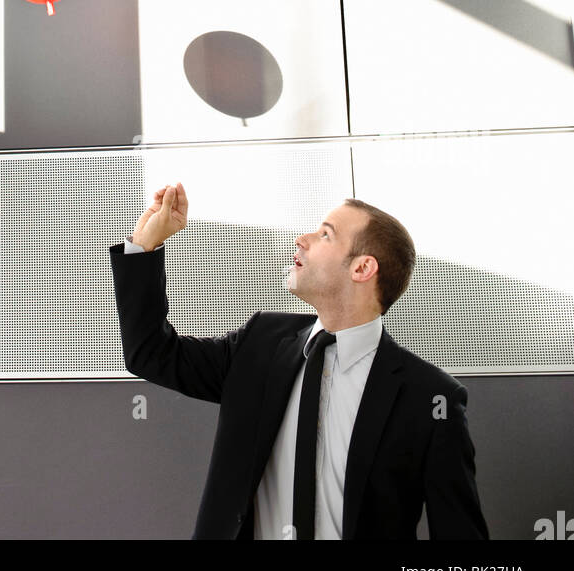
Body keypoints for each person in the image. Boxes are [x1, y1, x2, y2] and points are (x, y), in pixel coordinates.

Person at [109, 183, 489, 540]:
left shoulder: (431, 398)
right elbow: (151, 353)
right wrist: (145, 245)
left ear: (362, 268)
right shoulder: (260, 344)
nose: (301, 239)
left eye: (325, 234)